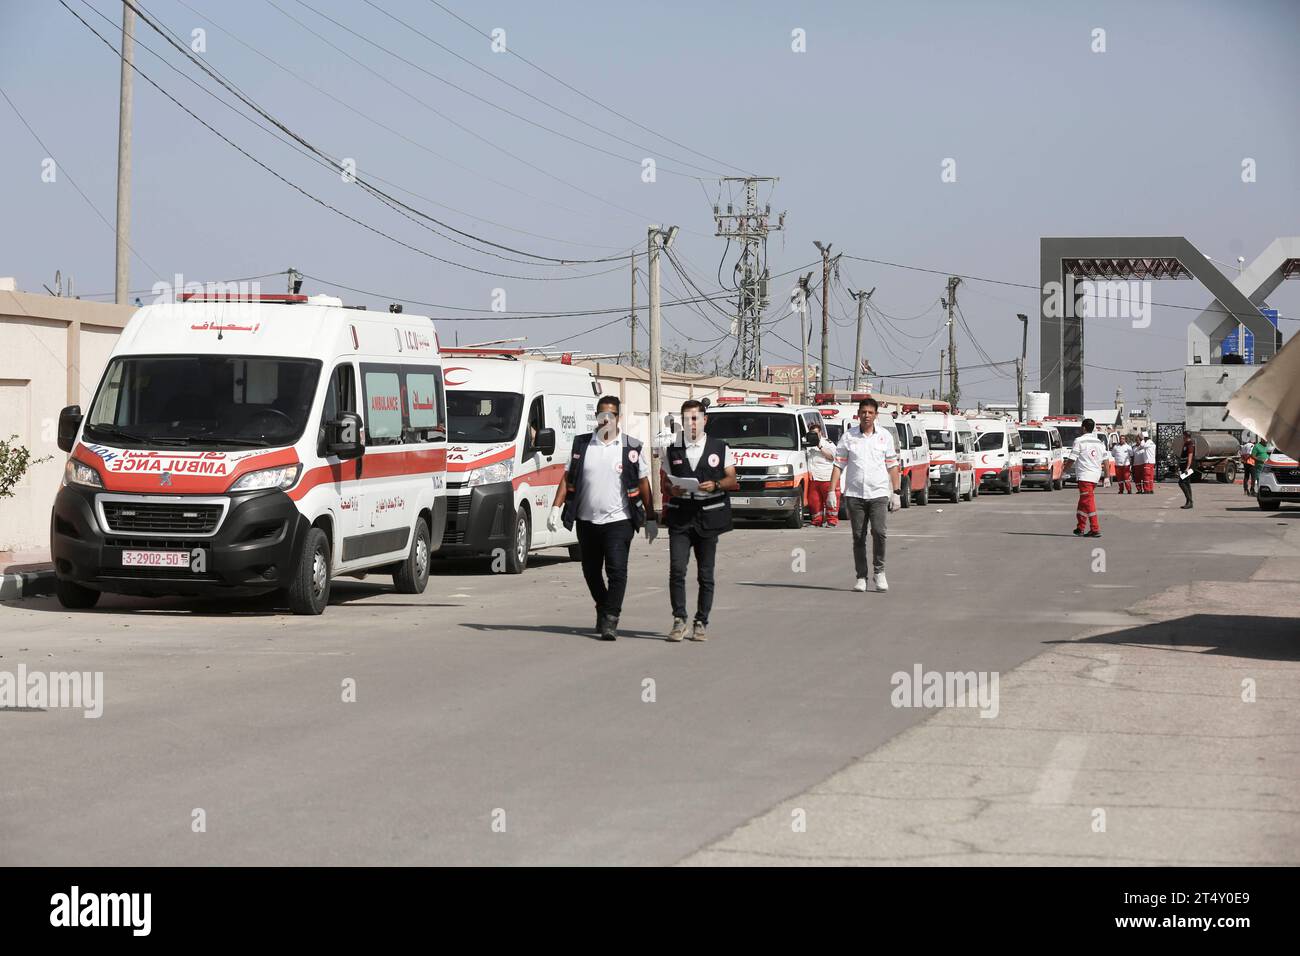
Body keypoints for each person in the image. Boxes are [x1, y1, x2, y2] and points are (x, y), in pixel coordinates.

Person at [549, 396, 653, 641]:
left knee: (617, 570)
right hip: (586, 519)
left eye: (612, 415)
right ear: (596, 417)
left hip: (620, 520)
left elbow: (643, 482)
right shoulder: (582, 445)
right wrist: (556, 506)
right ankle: (603, 605)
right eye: (602, 415)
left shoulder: (631, 447)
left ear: (619, 417)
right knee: (591, 571)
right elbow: (568, 477)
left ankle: (611, 618)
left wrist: (650, 516)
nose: (607, 419)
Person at [658, 399, 738, 642]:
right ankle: (679, 619)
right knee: (677, 570)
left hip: (708, 516)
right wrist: (672, 490)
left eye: (695, 418)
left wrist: (715, 485)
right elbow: (664, 481)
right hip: (681, 516)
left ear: (705, 420)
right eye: (686, 419)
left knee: (705, 574)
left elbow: (732, 480)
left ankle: (701, 621)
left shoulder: (719, 448)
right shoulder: (672, 449)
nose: (691, 423)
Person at [828, 397, 900, 592]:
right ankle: (861, 577)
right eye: (863, 412)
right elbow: (838, 464)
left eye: (870, 412)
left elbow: (893, 466)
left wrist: (897, 492)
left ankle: (879, 571)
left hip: (878, 493)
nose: (866, 416)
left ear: (876, 415)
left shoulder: (884, 437)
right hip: (854, 494)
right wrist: (831, 491)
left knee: (879, 532)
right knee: (858, 536)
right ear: (858, 414)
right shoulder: (849, 437)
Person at [1068, 417, 1112, 538]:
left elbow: (1072, 458)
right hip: (1095, 476)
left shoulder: (1079, 441)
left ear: (1083, 428)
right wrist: (1107, 476)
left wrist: (1063, 470)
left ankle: (1095, 528)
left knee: (1088, 502)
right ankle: (1080, 528)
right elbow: (1106, 461)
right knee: (1083, 503)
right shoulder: (1099, 442)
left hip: (1085, 476)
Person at [805, 421, 839, 527]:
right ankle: (816, 521)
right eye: (812, 433)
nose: (814, 435)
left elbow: (832, 456)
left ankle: (832, 521)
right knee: (814, 502)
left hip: (827, 477)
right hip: (814, 478)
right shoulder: (807, 443)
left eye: (816, 433)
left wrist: (819, 447)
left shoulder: (827, 443)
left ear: (820, 433)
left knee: (830, 502)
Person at [1176, 429, 1195, 509]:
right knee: (1186, 483)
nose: (1183, 437)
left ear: (1186, 436)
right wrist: (1179, 465)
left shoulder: (1190, 444)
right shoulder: (1186, 443)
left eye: (1184, 436)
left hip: (1188, 467)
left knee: (1181, 482)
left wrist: (1187, 467)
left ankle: (1190, 501)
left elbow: (1190, 455)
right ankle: (1189, 502)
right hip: (1184, 466)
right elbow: (1183, 456)